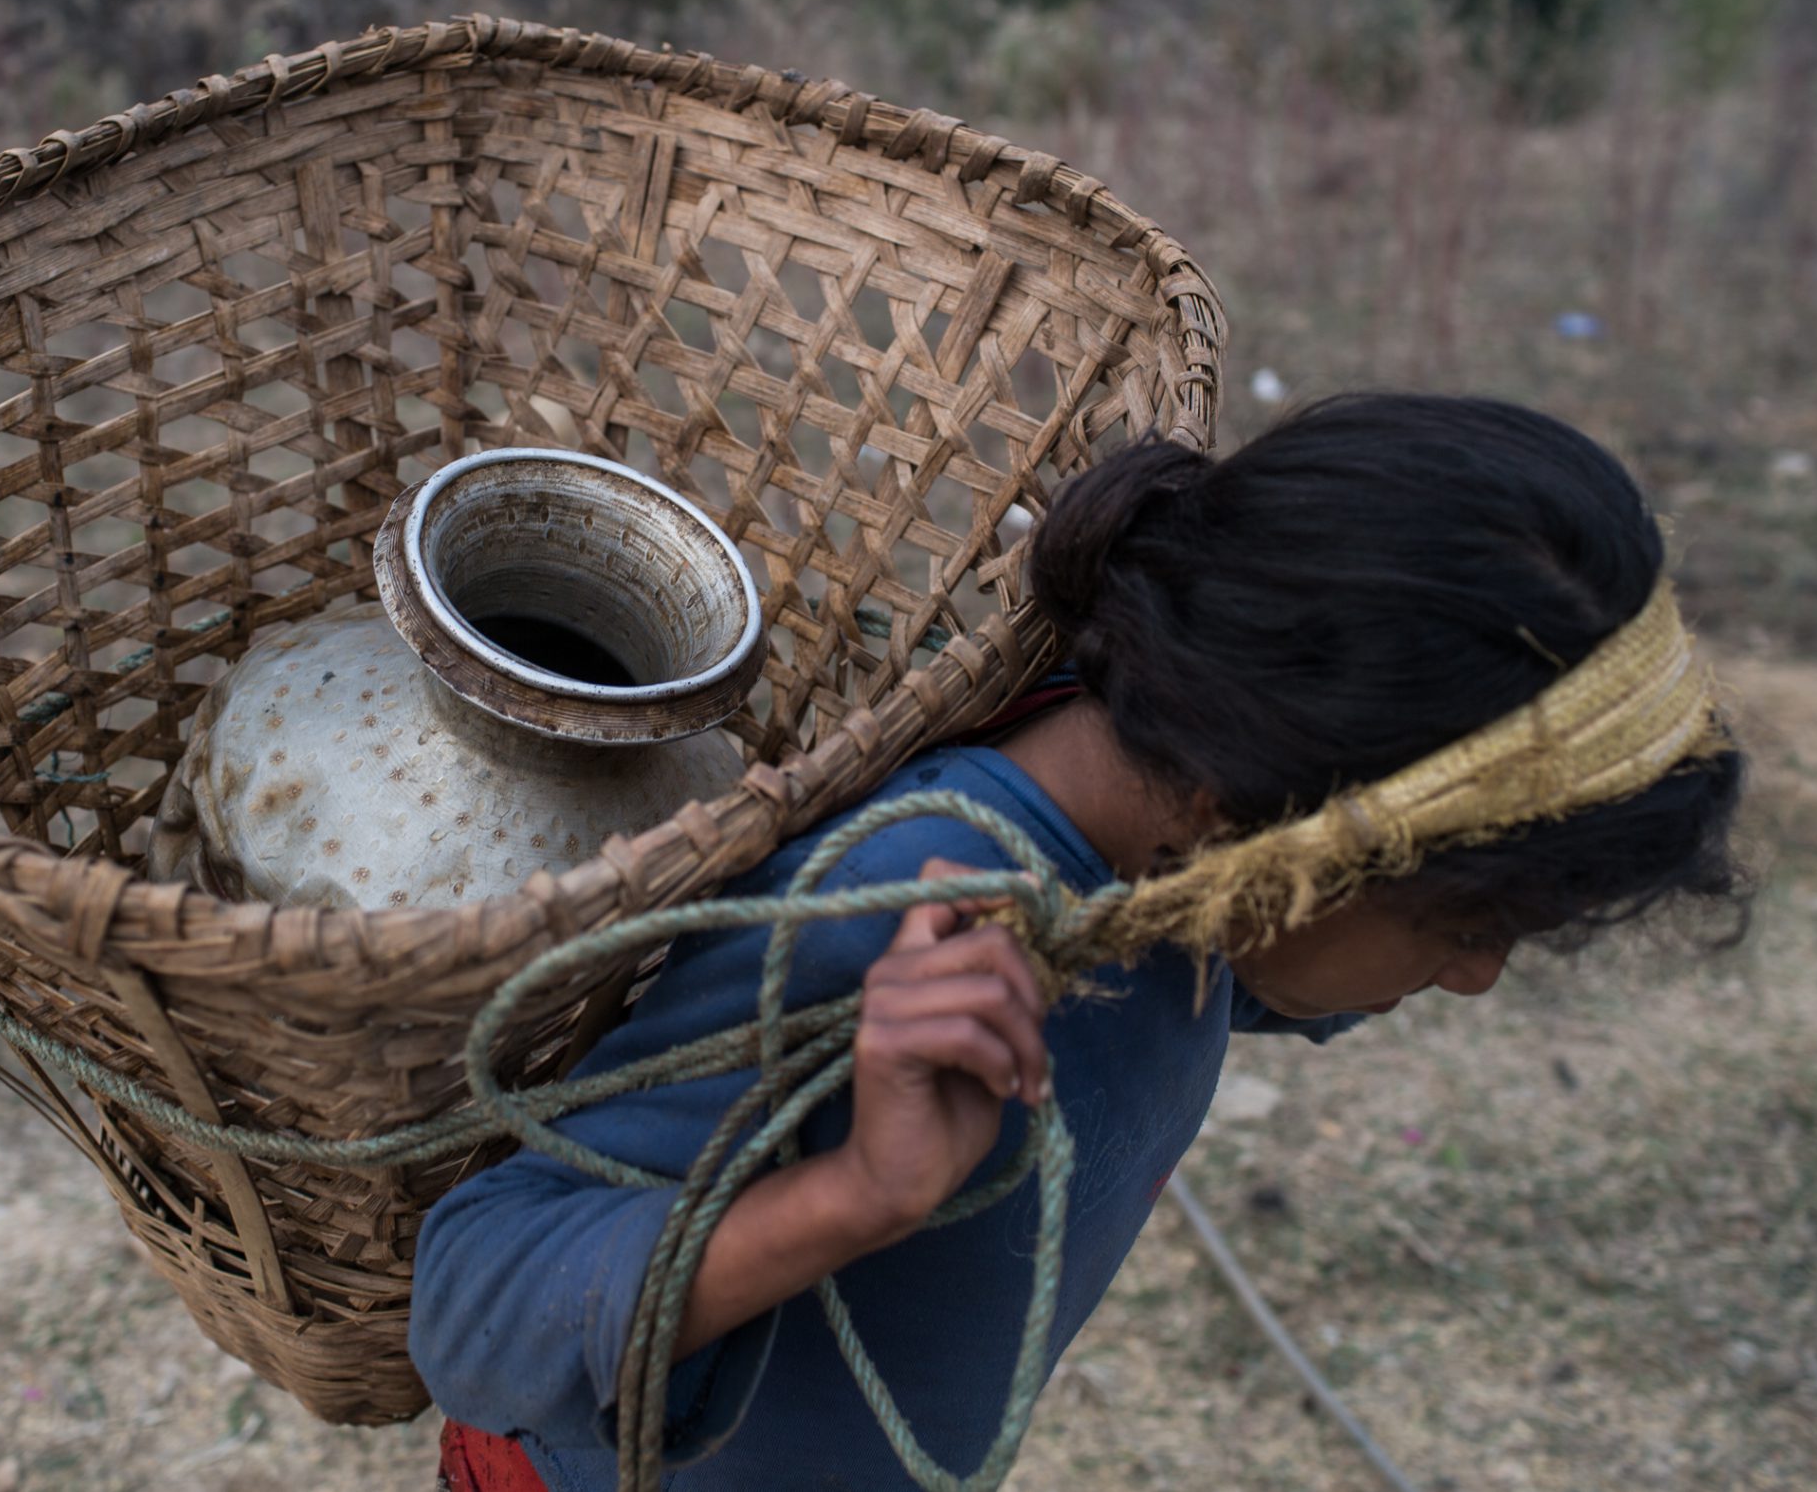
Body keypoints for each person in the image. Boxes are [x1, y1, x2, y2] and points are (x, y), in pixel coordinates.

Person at [410, 394, 1749, 1491]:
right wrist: (854, 1194)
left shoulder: (1173, 866)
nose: (1475, 974)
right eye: (1469, 923)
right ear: (1264, 821)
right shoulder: (898, 904)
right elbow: (469, 1313)